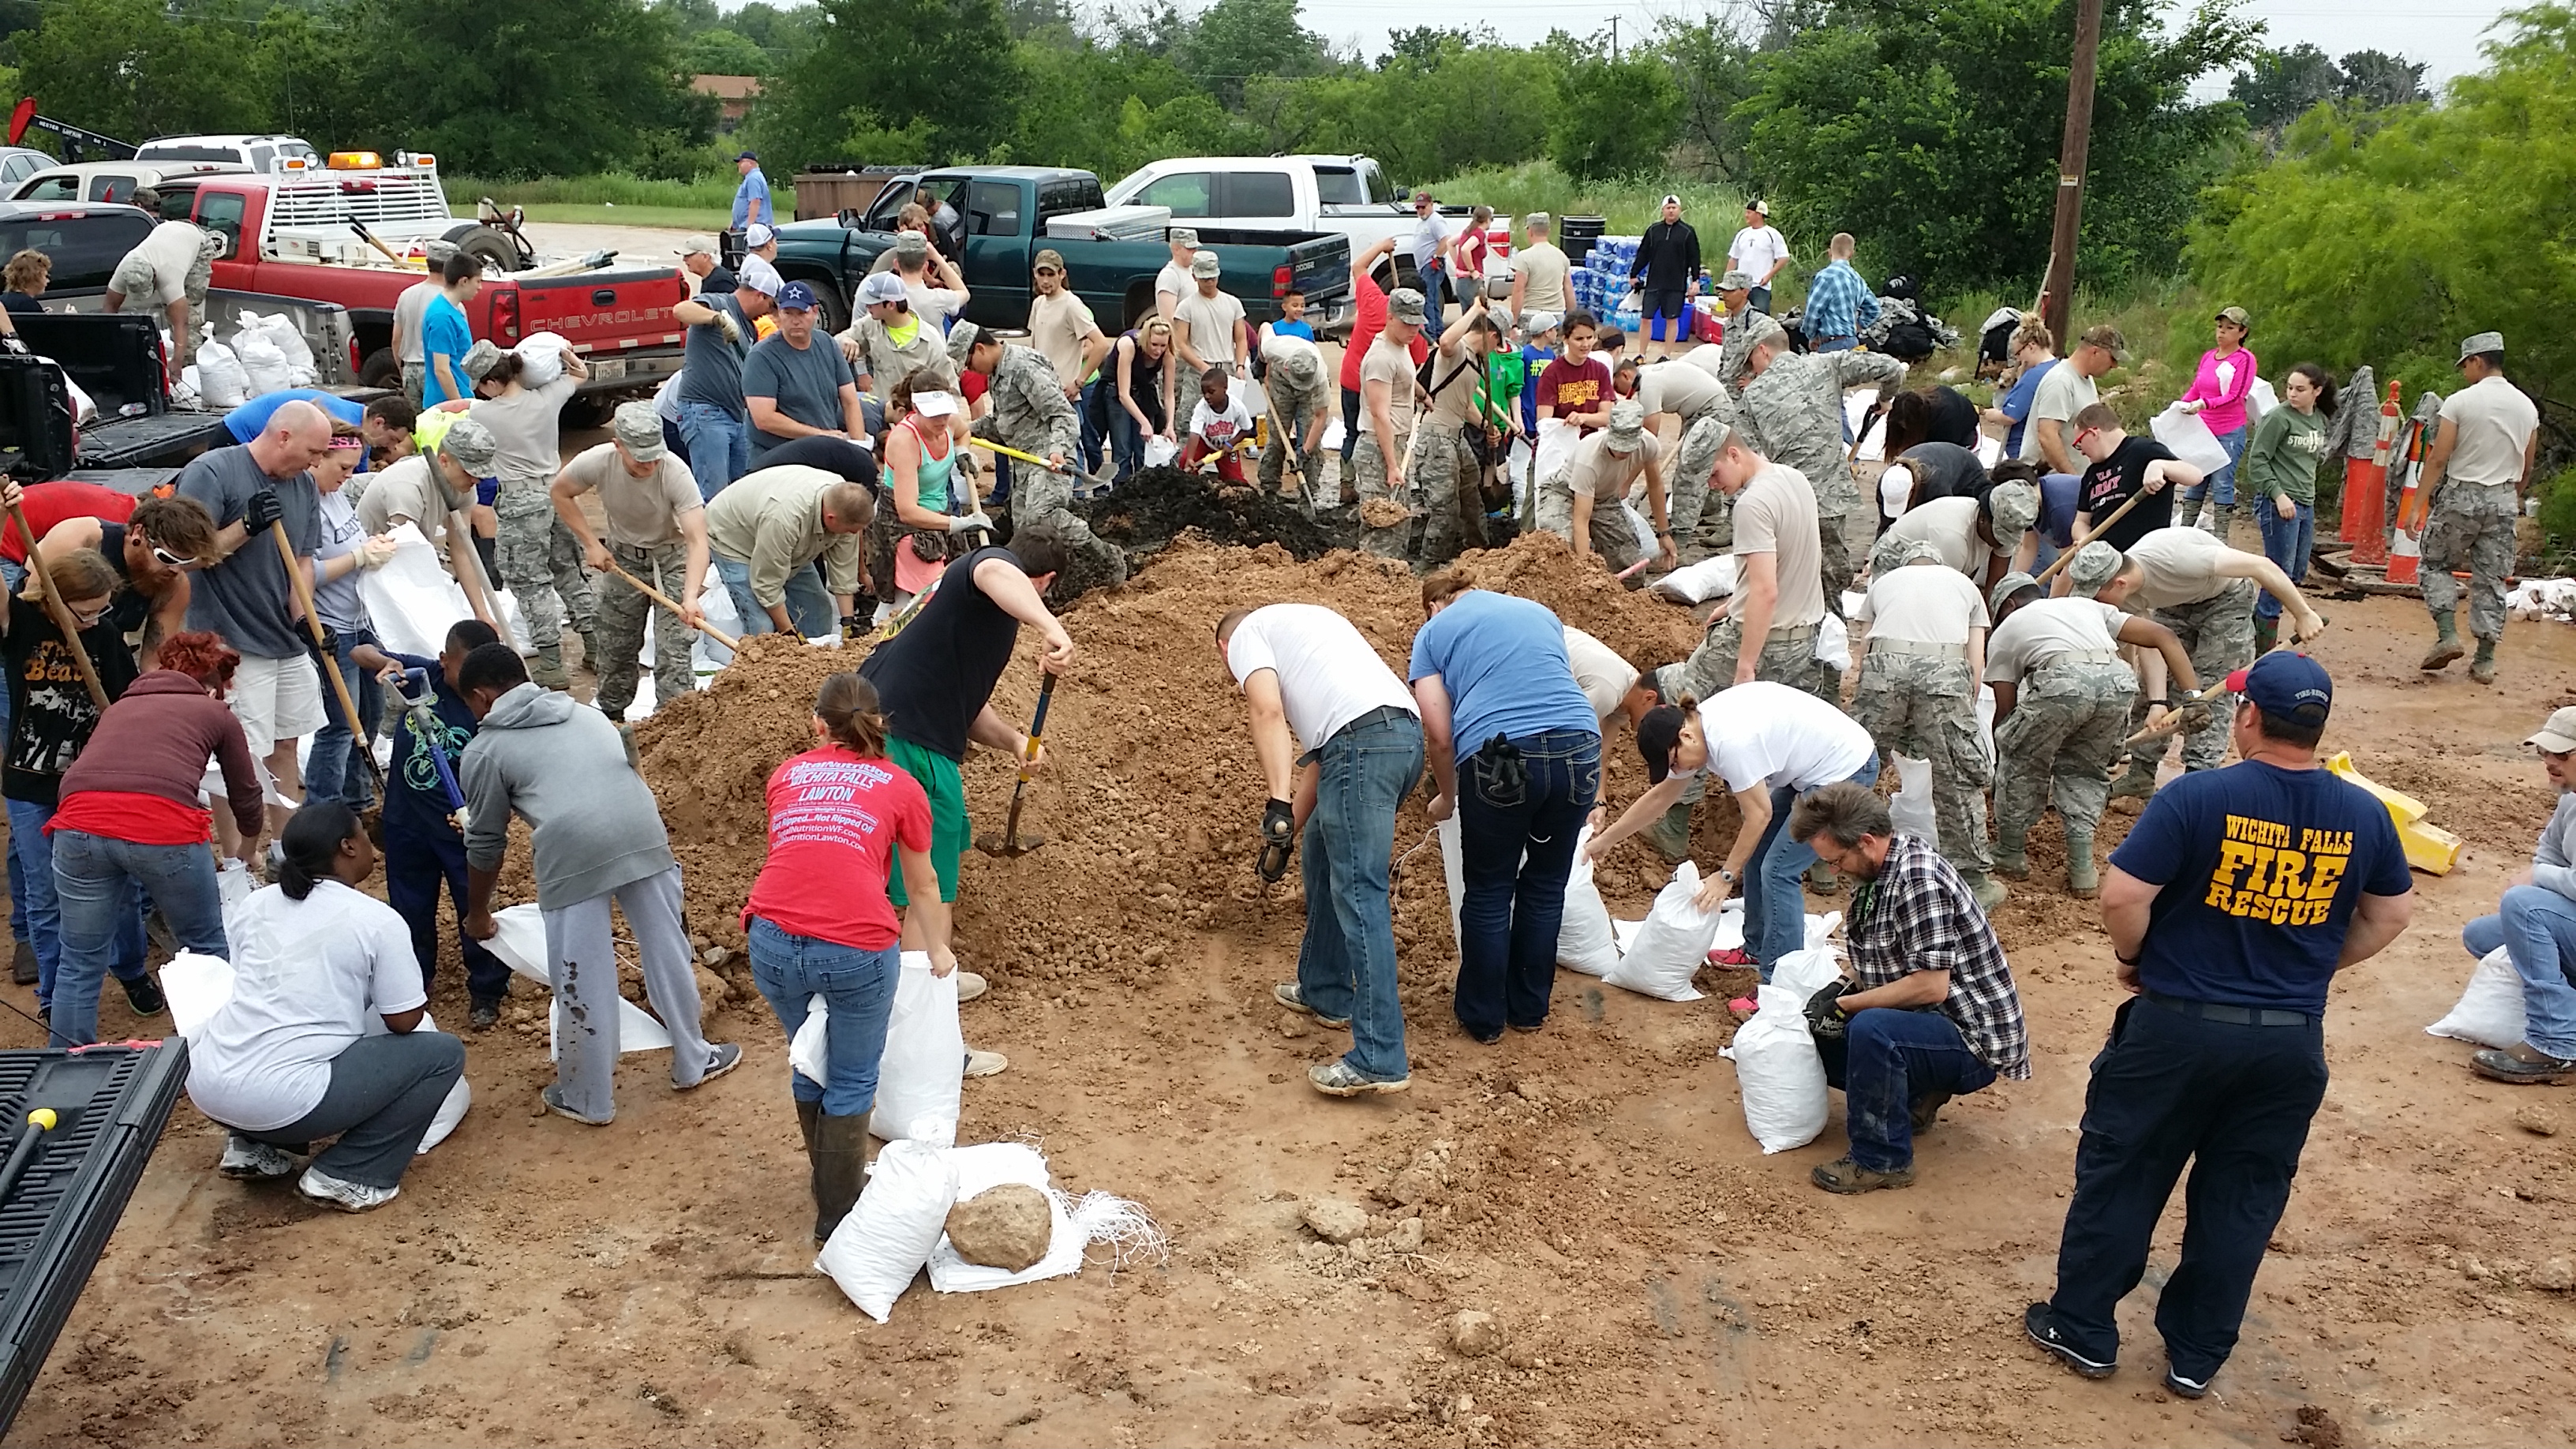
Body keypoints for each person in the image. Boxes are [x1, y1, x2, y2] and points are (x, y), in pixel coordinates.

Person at [2028, 653, 2413, 1400]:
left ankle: (2083, 1328)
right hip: (2286, 1041)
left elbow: (2121, 896)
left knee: (2127, 1170)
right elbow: (2391, 913)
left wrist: (2139, 957)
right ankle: (2196, 1354)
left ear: (2249, 717)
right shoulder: (2364, 812)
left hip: (2178, 1027)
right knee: (2242, 1195)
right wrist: (2311, 969)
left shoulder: (2199, 796)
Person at [456, 644, 739, 1124]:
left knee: (583, 974)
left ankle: (588, 1097)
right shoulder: (585, 714)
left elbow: (485, 845)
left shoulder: (486, 750)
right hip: (642, 832)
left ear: (482, 698)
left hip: (573, 852)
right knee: (668, 949)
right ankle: (694, 1059)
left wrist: (477, 911)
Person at [747, 672, 957, 1242]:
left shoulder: (788, 774)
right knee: (854, 1075)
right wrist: (936, 947)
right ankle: (837, 1213)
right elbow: (924, 883)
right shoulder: (902, 786)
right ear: (882, 724)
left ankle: (826, 1183)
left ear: (818, 725)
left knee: (808, 1057)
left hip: (770, 938)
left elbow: (800, 857)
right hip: (857, 945)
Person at [184, 801, 470, 1212]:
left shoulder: (257, 903)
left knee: (277, 1032)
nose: (373, 847)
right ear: (347, 847)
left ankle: (253, 1148)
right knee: (441, 1054)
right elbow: (404, 1020)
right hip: (282, 1100)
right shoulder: (376, 919)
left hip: (210, 1085)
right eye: (365, 837)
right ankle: (350, 1174)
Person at [861, 532, 1080, 1061]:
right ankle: (925, 1037)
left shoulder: (954, 604)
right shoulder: (986, 567)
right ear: (1044, 582)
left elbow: (962, 701)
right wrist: (1051, 628)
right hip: (910, 746)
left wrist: (1012, 742)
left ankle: (916, 978)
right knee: (928, 890)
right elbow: (996, 571)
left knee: (917, 873)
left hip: (880, 730)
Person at [1221, 602, 1424, 1096]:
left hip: (1363, 749)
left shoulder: (1245, 635)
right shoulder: (1311, 626)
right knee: (1321, 854)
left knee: (1360, 891)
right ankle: (1325, 991)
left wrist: (1274, 799)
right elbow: (1325, 757)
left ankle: (1380, 1056)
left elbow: (1266, 710)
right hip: (1397, 740)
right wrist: (1290, 828)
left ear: (1225, 648)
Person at [1792, 782, 2029, 1193]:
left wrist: (1850, 1005)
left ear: (1866, 841)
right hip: (1932, 1020)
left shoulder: (1918, 879)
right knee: (1821, 1029)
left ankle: (1883, 1159)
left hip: (1970, 1035)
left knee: (1871, 1030)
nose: (1833, 870)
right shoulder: (1875, 872)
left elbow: (1930, 986)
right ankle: (1913, 1099)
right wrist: (1840, 990)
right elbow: (1885, 958)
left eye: (1836, 860)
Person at [47, 631, 264, 1048]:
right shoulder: (216, 713)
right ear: (213, 685)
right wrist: (247, 851)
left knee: (78, 960)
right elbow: (246, 794)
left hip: (77, 827)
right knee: (205, 948)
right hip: (163, 830)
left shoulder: (119, 708)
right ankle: (225, 1056)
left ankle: (66, 1064)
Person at [1412, 575, 1601, 1042]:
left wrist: (1450, 794)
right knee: (1545, 884)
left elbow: (1439, 732)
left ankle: (1483, 1017)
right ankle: (1529, 1009)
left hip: (1500, 755)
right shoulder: (1540, 613)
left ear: (1436, 605)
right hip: (1580, 745)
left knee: (1491, 888)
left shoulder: (1434, 632)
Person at [1594, 683, 1880, 976]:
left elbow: (1759, 815)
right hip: (1812, 770)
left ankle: (1781, 979)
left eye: (1674, 763)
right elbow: (1661, 796)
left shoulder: (1730, 742)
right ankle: (1756, 950)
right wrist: (1605, 841)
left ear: (1685, 737)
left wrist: (1726, 875)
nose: (1677, 771)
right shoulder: (1697, 731)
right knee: (1758, 856)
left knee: (1779, 870)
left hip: (1847, 768)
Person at [1985, 549, 2202, 897]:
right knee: (2086, 769)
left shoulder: (2005, 631)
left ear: (2006, 607)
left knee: (2020, 759)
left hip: (2062, 683)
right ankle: (2083, 869)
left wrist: (2003, 762)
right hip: (2117, 682)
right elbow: (2166, 636)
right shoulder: (2085, 606)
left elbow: (2005, 712)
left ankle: (2010, 852)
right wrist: (2194, 698)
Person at [177, 399, 335, 842]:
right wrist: (245, 525)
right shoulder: (213, 472)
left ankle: (287, 851)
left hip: (284, 640)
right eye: (313, 451)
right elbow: (185, 558)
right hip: (232, 644)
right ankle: (239, 858)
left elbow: (302, 560)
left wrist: (305, 618)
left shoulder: (302, 484)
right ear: (283, 437)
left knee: (286, 746)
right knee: (236, 759)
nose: (317, 462)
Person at [3, 545, 147, 1033]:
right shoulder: (21, 623)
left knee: (117, 884)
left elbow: (127, 702)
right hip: (29, 783)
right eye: (84, 611)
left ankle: (131, 969)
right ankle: (52, 993)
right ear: (53, 600)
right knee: (45, 894)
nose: (94, 619)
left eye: (101, 609)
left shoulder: (104, 636)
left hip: (93, 784)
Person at [347, 620, 511, 1029]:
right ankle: (412, 982)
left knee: (473, 902)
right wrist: (386, 664)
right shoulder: (425, 675)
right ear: (444, 660)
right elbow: (358, 652)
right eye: (463, 669)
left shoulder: (488, 701)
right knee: (409, 909)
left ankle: (487, 988)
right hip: (405, 821)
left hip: (460, 826)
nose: (472, 682)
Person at [2095, 526, 2327, 800]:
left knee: (2207, 693)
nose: (2096, 604)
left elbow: (2261, 566)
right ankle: (2141, 777)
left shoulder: (2177, 557)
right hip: (2176, 604)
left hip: (2224, 601)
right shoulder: (2124, 593)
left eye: (2097, 595)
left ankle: (2198, 781)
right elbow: (2154, 646)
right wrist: (2159, 701)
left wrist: (2303, 613)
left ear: (2119, 582)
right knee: (2150, 690)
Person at [1849, 537, 2001, 907]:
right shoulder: (1965, 586)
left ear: (1907, 563)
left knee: (1859, 762)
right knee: (1957, 776)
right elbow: (1975, 661)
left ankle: (1837, 860)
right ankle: (1972, 879)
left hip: (1886, 665)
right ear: (1940, 562)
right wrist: (1962, 707)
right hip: (1944, 670)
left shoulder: (1885, 582)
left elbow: (1863, 650)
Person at [550, 402, 710, 721]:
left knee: (674, 650)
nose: (649, 465)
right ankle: (611, 715)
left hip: (671, 560)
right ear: (618, 445)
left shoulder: (675, 473)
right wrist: (592, 544)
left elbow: (697, 540)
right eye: (640, 458)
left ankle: (673, 722)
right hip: (623, 559)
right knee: (615, 644)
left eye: (654, 456)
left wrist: (690, 597)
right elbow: (560, 492)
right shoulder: (597, 462)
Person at [952, 321, 1128, 607]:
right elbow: (1006, 423)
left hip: (1049, 458)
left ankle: (1107, 555)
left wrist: (1058, 449)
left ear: (980, 349)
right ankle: (1036, 592)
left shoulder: (1022, 367)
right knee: (1026, 534)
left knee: (1041, 516)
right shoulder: (999, 373)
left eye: (970, 363)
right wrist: (967, 430)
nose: (971, 371)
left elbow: (1064, 414)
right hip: (1024, 463)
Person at [1657, 424, 1832, 708]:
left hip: (1767, 640)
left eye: (1714, 473)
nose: (1712, 485)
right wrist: (1733, 604)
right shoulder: (1795, 478)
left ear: (1734, 454)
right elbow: (1791, 561)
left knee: (1678, 697)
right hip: (1806, 639)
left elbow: (1765, 590)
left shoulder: (1752, 505)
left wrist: (1745, 665)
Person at [1736, 331, 1908, 601]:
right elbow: (1891, 368)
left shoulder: (1753, 394)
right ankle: (1833, 629)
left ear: (1763, 351)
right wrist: (1886, 400)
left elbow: (1752, 455)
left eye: (1750, 362)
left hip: (1789, 498)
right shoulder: (1827, 363)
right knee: (1832, 576)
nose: (1751, 371)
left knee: (1791, 575)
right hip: (1830, 497)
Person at [467, 340, 596, 690]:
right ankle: (596, 649)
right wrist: (565, 353)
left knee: (531, 583)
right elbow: (581, 372)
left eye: (480, 385)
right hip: (557, 492)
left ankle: (552, 665)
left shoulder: (483, 414)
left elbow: (463, 416)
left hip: (520, 501)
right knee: (569, 572)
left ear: (491, 383)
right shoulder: (546, 398)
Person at [2460, 707, 2576, 1083]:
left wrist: (2538, 879)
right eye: (2546, 753)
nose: (2550, 763)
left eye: (2562, 755)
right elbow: (2550, 851)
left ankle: (2557, 1045)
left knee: (2523, 908)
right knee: (2483, 935)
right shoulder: (2570, 798)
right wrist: (2542, 875)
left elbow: (2546, 871)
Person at [2418, 330, 2540, 684]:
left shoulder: (2460, 402)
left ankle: (2447, 635)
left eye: (2465, 365)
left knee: (2434, 563)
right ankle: (2485, 660)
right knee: (2492, 578)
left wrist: (2418, 504)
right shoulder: (2527, 407)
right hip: (2503, 498)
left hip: (2462, 495)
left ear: (2477, 361)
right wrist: (2511, 495)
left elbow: (2439, 458)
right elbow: (2527, 465)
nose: (2464, 372)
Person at [13, 483, 219, 672]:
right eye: (165, 557)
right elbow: (29, 610)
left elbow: (155, 664)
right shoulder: (82, 538)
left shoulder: (174, 586)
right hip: (28, 651)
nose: (175, 570)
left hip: (95, 661)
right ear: (139, 532)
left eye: (184, 563)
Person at [302, 437, 397, 809]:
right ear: (317, 459)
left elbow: (351, 542)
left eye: (354, 467)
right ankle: (323, 806)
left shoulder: (336, 497)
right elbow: (304, 574)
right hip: (331, 626)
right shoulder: (308, 504)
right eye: (342, 467)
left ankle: (358, 798)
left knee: (371, 714)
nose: (349, 475)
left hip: (361, 619)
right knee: (341, 724)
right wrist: (359, 556)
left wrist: (373, 546)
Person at [352, 414, 501, 626]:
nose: (476, 480)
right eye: (470, 472)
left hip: (410, 558)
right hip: (372, 569)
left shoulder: (464, 485)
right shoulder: (407, 488)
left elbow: (461, 550)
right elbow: (406, 560)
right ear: (444, 461)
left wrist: (482, 613)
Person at [704, 461, 874, 638]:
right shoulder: (785, 519)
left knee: (818, 616)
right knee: (763, 629)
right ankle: (767, 664)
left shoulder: (844, 505)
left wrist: (848, 622)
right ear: (831, 518)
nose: (853, 534)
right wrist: (790, 635)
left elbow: (844, 570)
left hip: (786, 543)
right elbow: (767, 584)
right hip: (733, 539)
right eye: (850, 530)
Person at [2240, 364, 2335, 653]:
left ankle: (2260, 633)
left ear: (2317, 392)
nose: (2293, 394)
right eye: (2290, 388)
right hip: (2278, 502)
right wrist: (2278, 495)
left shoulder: (2319, 420)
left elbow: (2308, 464)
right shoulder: (2278, 418)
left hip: (2305, 501)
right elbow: (2257, 460)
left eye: (2300, 389)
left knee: (2295, 573)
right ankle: (2261, 651)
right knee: (2277, 574)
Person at [671, 263, 781, 504]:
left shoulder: (750, 327)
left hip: (735, 416)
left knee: (738, 491)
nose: (768, 313)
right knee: (714, 494)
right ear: (759, 295)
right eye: (770, 305)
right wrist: (716, 318)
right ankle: (707, 540)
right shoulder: (719, 303)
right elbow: (681, 310)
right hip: (706, 411)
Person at [1410, 297, 1504, 566]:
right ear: (1492, 336)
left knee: (1471, 496)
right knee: (1445, 509)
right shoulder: (1458, 350)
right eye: (1497, 345)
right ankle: (1428, 564)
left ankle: (1477, 551)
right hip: (1437, 438)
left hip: (1457, 436)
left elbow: (1464, 406)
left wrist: (1485, 426)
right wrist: (1474, 309)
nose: (1496, 352)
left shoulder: (1474, 361)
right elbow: (1446, 342)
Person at [871, 373, 979, 609]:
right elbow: (907, 511)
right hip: (905, 526)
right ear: (917, 408)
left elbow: (963, 433)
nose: (941, 420)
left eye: (945, 412)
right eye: (934, 414)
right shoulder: (905, 440)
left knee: (954, 583)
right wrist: (958, 524)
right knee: (927, 598)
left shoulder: (949, 423)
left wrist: (963, 451)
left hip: (940, 512)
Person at [1537, 399, 1674, 578]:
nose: (1622, 453)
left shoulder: (1649, 444)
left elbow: (1655, 486)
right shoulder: (1590, 457)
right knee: (1564, 550)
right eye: (1618, 446)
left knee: (1632, 573)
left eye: (1628, 448)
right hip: (1564, 493)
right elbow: (1581, 519)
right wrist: (1586, 570)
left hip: (1605, 499)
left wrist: (1664, 534)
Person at [745, 282, 867, 466]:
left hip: (825, 454)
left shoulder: (827, 343)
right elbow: (764, 419)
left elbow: (850, 400)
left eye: (802, 313)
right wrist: (821, 436)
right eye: (788, 313)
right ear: (778, 312)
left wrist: (858, 450)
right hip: (779, 459)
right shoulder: (762, 356)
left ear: (815, 311)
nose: (795, 320)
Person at [100, 194, 220, 369]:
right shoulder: (126, 267)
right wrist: (109, 344)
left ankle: (191, 363)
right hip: (167, 233)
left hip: (197, 240)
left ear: (154, 277)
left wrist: (177, 361)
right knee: (171, 308)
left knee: (190, 309)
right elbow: (110, 308)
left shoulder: (170, 274)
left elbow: (182, 322)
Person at [1634, 352, 1740, 544]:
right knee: (1707, 461)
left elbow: (1649, 440)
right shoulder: (1651, 373)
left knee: (1689, 472)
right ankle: (1709, 505)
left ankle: (1679, 538)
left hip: (1712, 410)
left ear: (1625, 376)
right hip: (1704, 407)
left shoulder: (1648, 385)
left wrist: (1628, 482)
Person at [2171, 305, 2260, 534]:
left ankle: (2221, 535)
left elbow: (2236, 395)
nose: (2222, 332)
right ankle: (2184, 532)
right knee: (2195, 479)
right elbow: (2197, 387)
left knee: (2222, 482)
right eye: (2220, 327)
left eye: (2229, 328)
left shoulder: (2244, 359)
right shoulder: (2209, 357)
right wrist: (2182, 404)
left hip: (2228, 430)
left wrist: (2205, 404)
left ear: (2242, 332)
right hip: (2203, 429)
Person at [1339, 239, 1422, 481]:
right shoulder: (1412, 336)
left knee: (1352, 433)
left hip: (1352, 378)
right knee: (1372, 432)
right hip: (1377, 385)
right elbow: (1412, 373)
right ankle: (1368, 476)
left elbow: (1358, 268)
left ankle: (1346, 481)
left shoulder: (1374, 299)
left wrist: (1380, 247)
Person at [2068, 402, 2197, 556]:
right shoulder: (2091, 474)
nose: (2081, 452)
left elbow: (2195, 476)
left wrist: (2160, 465)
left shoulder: (2142, 450)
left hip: (2145, 558)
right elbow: (2081, 521)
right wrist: (2084, 539)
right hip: (2106, 561)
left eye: (2079, 444)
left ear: (2093, 433)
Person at [1354, 288, 1428, 553]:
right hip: (1379, 448)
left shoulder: (1400, 347)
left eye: (1417, 324)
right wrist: (1392, 465)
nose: (1413, 330)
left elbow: (1403, 378)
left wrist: (1421, 394)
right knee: (1382, 523)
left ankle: (1394, 578)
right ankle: (1373, 582)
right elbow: (1379, 414)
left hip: (1397, 444)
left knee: (1399, 519)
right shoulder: (1380, 358)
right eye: (1407, 323)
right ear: (1391, 318)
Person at [1881, 481, 2042, 595]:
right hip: (1894, 558)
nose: (2001, 543)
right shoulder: (1952, 535)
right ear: (1984, 519)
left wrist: (1990, 627)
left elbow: (1994, 584)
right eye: (1999, 536)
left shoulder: (2009, 520)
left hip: (1941, 567)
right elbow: (1946, 595)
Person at [1027, 250, 1108, 475]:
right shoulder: (1039, 304)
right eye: (1041, 274)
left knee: (1073, 448)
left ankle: (1079, 497)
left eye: (1050, 274)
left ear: (1062, 274)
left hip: (1065, 394)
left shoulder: (1072, 304)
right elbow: (1037, 348)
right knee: (1051, 449)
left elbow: (1101, 344)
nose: (1045, 280)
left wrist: (1078, 383)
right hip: (1043, 393)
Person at [2020, 325, 2121, 473]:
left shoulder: (2087, 379)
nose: (2115, 365)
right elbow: (2047, 436)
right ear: (2095, 352)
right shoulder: (2061, 381)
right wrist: (2072, 479)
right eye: (2112, 358)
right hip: (2050, 480)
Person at [1170, 251, 1248, 425]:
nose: (1210, 282)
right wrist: (1202, 366)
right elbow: (1180, 343)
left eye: (1213, 278)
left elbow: (1241, 338)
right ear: (1195, 277)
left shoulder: (1233, 303)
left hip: (1227, 367)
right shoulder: (1186, 307)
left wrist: (1240, 365)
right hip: (1199, 369)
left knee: (1229, 420)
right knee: (1188, 420)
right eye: (1205, 279)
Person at [1093, 317, 1174, 484]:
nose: (1158, 351)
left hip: (1143, 391)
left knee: (1144, 447)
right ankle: (1121, 492)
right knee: (1123, 448)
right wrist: (1144, 422)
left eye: (1163, 346)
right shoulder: (1128, 345)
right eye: (1154, 345)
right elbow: (1123, 394)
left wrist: (1170, 424)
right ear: (1146, 340)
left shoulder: (1168, 355)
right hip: (1117, 391)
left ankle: (1143, 491)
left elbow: (1169, 394)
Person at [1256, 325, 1330, 498]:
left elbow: (1320, 417)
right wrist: (1260, 360)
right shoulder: (1273, 348)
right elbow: (1265, 326)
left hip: (1310, 393)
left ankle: (1308, 493)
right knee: (1277, 435)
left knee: (1312, 445)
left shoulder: (1319, 379)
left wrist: (1305, 450)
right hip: (1281, 382)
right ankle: (1269, 488)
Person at [1629, 196, 1702, 358]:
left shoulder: (1687, 232)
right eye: (1668, 208)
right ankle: (1641, 354)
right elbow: (1643, 254)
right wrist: (1634, 274)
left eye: (1674, 207)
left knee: (1672, 320)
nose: (1671, 210)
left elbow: (1694, 258)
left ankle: (1667, 355)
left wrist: (1696, 281)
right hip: (1654, 282)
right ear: (1663, 210)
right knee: (1646, 318)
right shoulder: (1654, 230)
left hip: (1676, 285)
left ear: (1680, 210)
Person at [1983, 320, 2059, 460]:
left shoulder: (2033, 377)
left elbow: (2011, 416)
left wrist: (1991, 415)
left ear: (2031, 347)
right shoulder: (2056, 367)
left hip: (2022, 450)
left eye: (2018, 354)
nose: (2019, 359)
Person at [388, 247, 452, 406]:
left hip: (410, 370)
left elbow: (396, 339)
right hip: (437, 371)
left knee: (416, 425)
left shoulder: (406, 294)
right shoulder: (450, 300)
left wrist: (402, 370)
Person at [418, 251, 482, 408]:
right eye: (478, 281)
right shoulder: (442, 317)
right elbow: (441, 369)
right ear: (464, 281)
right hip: (446, 405)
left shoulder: (454, 309)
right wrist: (460, 407)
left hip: (458, 396)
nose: (480, 287)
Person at [1563, 624, 1656, 731]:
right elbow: (1565, 730)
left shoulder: (1629, 693)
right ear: (1649, 698)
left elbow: (1605, 744)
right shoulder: (1609, 691)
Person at [1533, 313, 1612, 435]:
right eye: (1579, 339)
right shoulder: (1552, 373)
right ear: (1565, 339)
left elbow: (1607, 417)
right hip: (1559, 442)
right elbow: (1544, 422)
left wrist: (1583, 418)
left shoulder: (1600, 370)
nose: (1585, 344)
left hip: (1589, 443)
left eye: (1590, 338)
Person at [886, 230, 970, 339]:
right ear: (925, 266)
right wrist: (937, 257)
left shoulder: (885, 299)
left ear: (896, 264)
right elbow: (964, 293)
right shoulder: (938, 298)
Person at [1803, 234, 1879, 353]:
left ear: (1829, 252)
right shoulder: (1857, 279)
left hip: (1831, 345)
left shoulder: (1825, 277)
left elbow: (1812, 313)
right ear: (1852, 254)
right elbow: (1875, 309)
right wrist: (1858, 326)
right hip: (1853, 343)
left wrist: (1812, 336)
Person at [1711, 272, 1787, 392]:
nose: (1724, 295)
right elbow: (1724, 360)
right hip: (1725, 390)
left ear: (1745, 292)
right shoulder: (1729, 323)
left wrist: (1757, 384)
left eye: (1730, 291)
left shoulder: (1758, 322)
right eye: (1723, 291)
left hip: (1744, 396)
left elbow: (1778, 358)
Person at [1181, 368, 1255, 482]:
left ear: (1225, 388)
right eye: (1204, 392)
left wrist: (1231, 444)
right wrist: (1190, 458)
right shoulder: (1201, 408)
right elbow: (1194, 433)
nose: (1207, 396)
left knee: (1235, 480)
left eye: (1211, 392)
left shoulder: (1237, 407)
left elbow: (1247, 429)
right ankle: (1192, 488)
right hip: (1204, 442)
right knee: (1185, 462)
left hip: (1227, 445)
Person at [1725, 200, 1791, 313]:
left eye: (1749, 213)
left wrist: (1769, 276)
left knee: (1760, 318)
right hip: (1741, 286)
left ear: (1759, 214)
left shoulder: (1772, 234)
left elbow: (1784, 257)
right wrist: (1726, 281)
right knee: (1739, 316)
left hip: (1760, 286)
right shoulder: (1742, 234)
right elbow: (1733, 259)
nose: (1746, 215)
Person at [1509, 213, 1570, 320]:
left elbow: (1519, 290)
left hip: (1532, 314)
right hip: (1557, 315)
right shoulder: (1561, 256)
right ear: (1548, 231)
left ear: (1530, 231)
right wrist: (1571, 319)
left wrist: (1514, 320)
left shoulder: (1524, 257)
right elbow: (1568, 290)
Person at [1410, 190, 1451, 316]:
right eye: (1418, 207)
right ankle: (1436, 331)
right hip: (1425, 267)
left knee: (1428, 300)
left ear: (1431, 205)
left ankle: (1431, 333)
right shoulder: (1423, 223)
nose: (1420, 210)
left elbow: (1446, 239)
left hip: (1431, 266)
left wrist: (1436, 258)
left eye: (1423, 207)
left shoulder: (1436, 221)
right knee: (1431, 300)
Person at [1154, 227, 1199, 332]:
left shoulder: (1192, 271)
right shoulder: (1170, 276)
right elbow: (1168, 320)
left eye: (1195, 248)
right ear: (1176, 249)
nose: (1194, 252)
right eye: (1190, 249)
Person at [732, 151, 771, 230]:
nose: (738, 164)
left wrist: (750, 227)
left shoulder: (753, 178)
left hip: (754, 227)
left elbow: (755, 201)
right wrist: (734, 224)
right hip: (745, 225)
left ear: (750, 163)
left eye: (741, 162)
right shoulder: (752, 177)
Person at [3, 248, 51, 315]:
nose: (48, 281)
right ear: (33, 277)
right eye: (45, 276)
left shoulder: (3, 300)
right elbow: (41, 325)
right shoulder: (29, 305)